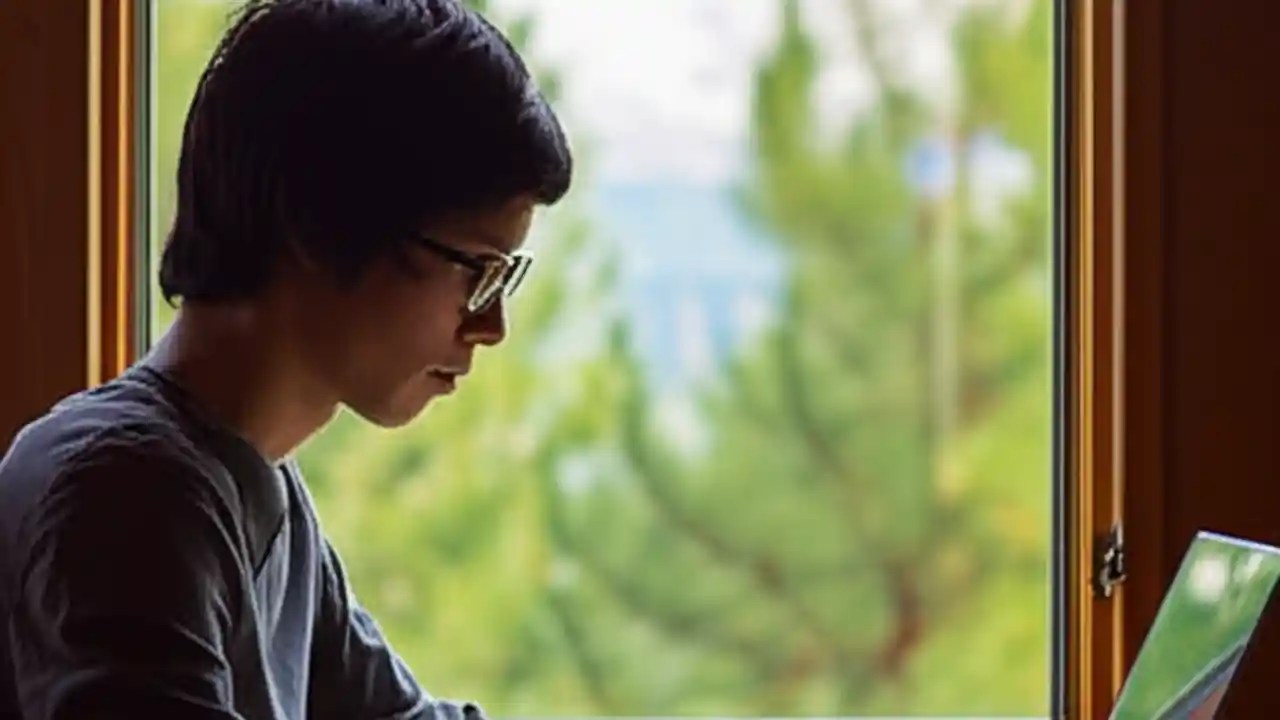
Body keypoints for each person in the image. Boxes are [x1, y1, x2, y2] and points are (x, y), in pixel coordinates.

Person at [0, 0, 571, 717]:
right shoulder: (125, 496)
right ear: (319, 224)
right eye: (476, 271)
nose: (491, 327)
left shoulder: (248, 487)